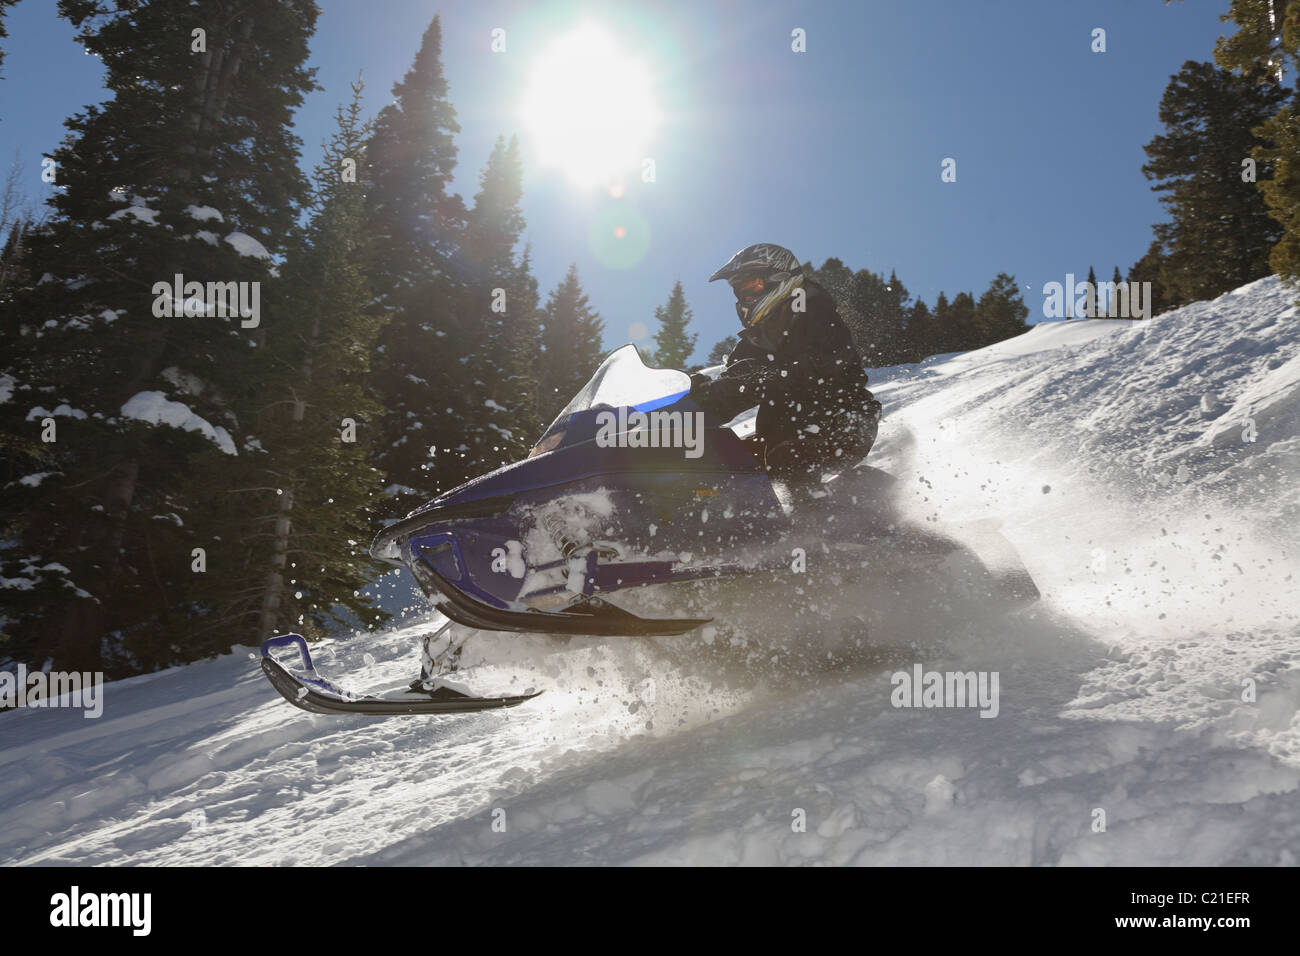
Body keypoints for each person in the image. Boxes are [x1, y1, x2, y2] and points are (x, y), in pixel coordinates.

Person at [689, 243, 882, 486]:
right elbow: (731, 386)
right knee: (725, 460)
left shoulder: (815, 312)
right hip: (789, 429)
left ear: (779, 277)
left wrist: (758, 378)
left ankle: (810, 514)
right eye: (739, 288)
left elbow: (820, 365)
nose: (745, 293)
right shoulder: (756, 338)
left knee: (786, 440)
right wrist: (693, 397)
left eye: (753, 283)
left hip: (844, 421)